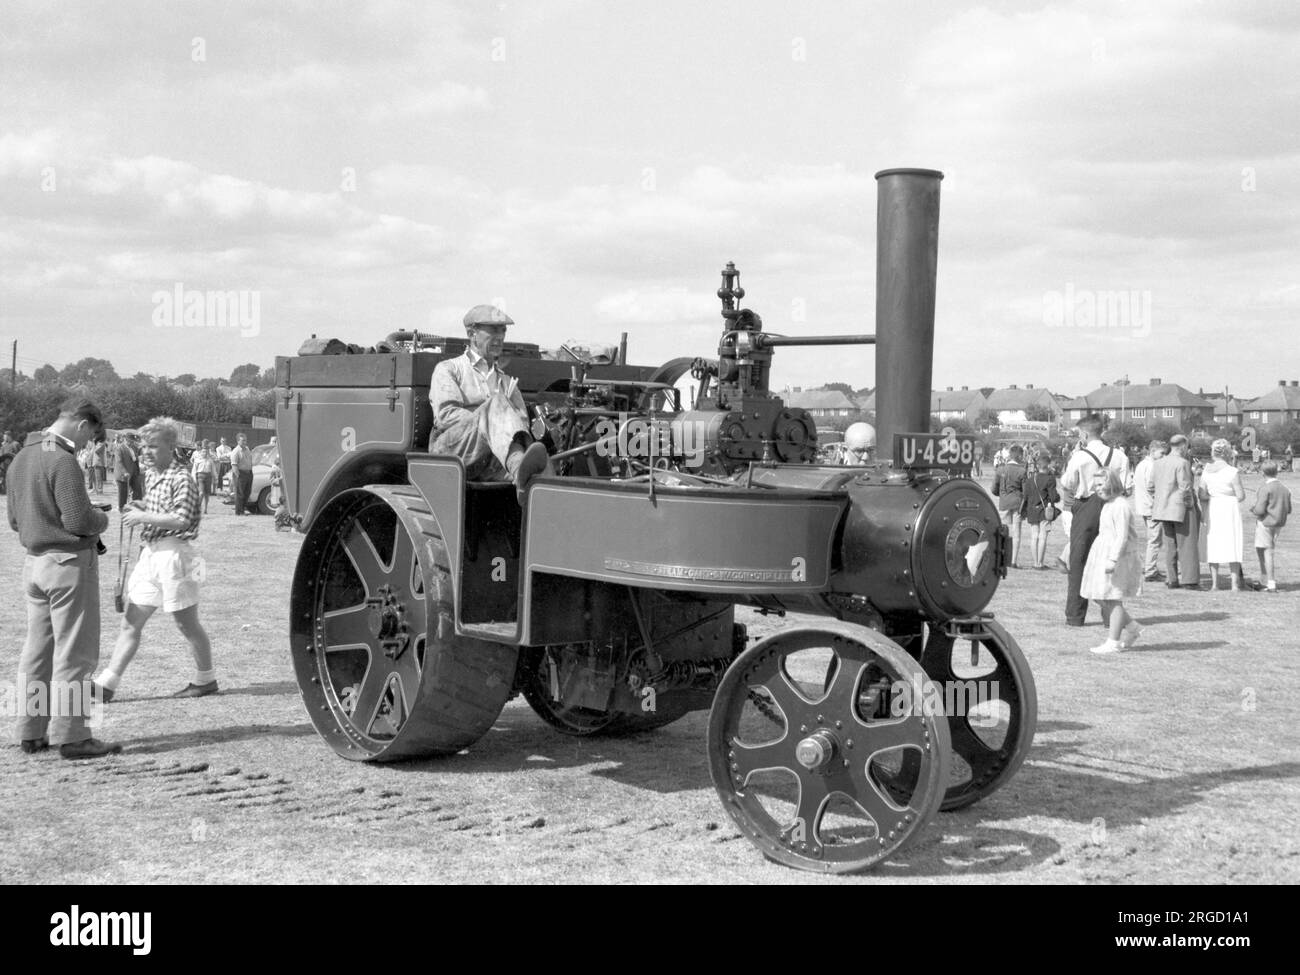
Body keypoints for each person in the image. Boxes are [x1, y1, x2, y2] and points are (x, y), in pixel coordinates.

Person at [6, 398, 121, 758]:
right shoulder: (63, 459)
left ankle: (31, 730)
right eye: (92, 437)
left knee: (36, 651)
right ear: (83, 425)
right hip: (69, 564)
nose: (89, 445)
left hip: (34, 563)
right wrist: (101, 518)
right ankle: (73, 735)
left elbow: (13, 520)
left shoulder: (21, 458)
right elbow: (79, 522)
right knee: (76, 653)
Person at [95, 416, 217, 701]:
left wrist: (143, 515)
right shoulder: (151, 474)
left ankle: (206, 679)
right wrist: (142, 505)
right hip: (151, 554)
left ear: (171, 446)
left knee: (187, 623)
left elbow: (183, 519)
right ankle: (107, 684)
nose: (146, 452)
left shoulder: (182, 477)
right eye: (144, 446)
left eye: (153, 446)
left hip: (177, 555)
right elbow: (159, 505)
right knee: (131, 621)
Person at [428, 304, 550, 502]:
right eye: (493, 330)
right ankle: (520, 470)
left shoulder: (508, 382)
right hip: (451, 451)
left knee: (546, 461)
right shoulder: (448, 369)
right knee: (496, 405)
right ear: (471, 333)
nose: (500, 337)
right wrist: (488, 420)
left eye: (503, 331)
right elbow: (446, 416)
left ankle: (536, 489)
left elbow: (521, 424)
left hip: (490, 458)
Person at [1059, 414, 1130, 625]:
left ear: (1085, 434)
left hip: (1086, 507)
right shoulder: (1119, 456)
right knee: (1109, 560)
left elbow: (1068, 483)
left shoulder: (1079, 457)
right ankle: (1110, 615)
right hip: (1111, 505)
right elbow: (1125, 485)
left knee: (1078, 560)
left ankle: (1075, 615)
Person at [1080, 468, 1145, 654]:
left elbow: (1122, 536)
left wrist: (1113, 559)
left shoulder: (1120, 505)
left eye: (1101, 484)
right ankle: (1132, 628)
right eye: (1096, 485)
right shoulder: (1108, 504)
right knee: (1099, 595)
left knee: (1113, 597)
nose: (1097, 488)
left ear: (1111, 483)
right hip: (1104, 551)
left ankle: (1113, 641)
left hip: (1118, 556)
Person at [1150, 433, 1201, 589]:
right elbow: (1185, 488)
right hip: (1181, 508)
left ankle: (1172, 579)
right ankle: (1189, 580)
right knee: (1187, 545)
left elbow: (1151, 486)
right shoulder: (1182, 463)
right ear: (1183, 446)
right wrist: (1191, 505)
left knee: (1170, 545)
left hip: (1163, 509)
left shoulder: (1158, 463)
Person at [1200, 438, 1248, 591]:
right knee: (1232, 543)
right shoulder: (1232, 472)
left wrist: (1213, 496)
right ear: (1228, 453)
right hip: (1229, 508)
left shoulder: (1206, 471)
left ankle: (1215, 584)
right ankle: (1234, 585)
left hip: (1213, 507)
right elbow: (1241, 496)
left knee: (1213, 543)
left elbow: (1201, 494)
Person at [1251, 461, 1291, 593]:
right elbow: (1289, 509)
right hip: (1278, 524)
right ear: (1277, 471)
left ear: (1262, 473)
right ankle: (1264, 580)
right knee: (1261, 549)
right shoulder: (1285, 489)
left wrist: (1254, 510)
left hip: (1265, 522)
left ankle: (1271, 583)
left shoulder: (1265, 488)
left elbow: (1260, 510)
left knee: (1267, 552)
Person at [1133, 440, 1167, 581]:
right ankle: (1150, 571)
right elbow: (1151, 486)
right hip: (1152, 507)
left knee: (1153, 539)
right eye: (1162, 453)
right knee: (1154, 540)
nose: (1164, 456)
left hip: (1144, 506)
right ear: (1153, 452)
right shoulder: (1152, 466)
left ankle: (1150, 568)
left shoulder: (1141, 464)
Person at [1022, 452, 1060, 569]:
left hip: (1032, 510)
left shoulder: (1029, 480)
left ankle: (1035, 563)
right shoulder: (1050, 479)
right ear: (1048, 465)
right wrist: (1057, 497)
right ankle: (1040, 563)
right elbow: (1054, 497)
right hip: (1045, 511)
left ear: (1037, 466)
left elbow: (1026, 496)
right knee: (1043, 537)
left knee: (1034, 536)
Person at [992, 444, 1027, 567]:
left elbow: (993, 489)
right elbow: (1025, 491)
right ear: (1019, 455)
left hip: (1004, 503)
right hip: (1017, 504)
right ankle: (1013, 561)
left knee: (1003, 532)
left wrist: (1001, 495)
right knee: (1016, 533)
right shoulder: (1022, 471)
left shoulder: (1001, 469)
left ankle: (1001, 559)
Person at [113, 432, 140, 511]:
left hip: (134, 472)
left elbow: (136, 459)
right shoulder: (119, 448)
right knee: (123, 493)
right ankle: (121, 508)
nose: (131, 442)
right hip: (122, 474)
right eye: (130, 441)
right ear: (125, 439)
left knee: (137, 490)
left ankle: (136, 507)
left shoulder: (134, 448)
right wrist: (124, 472)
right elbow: (119, 462)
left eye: (132, 441)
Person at [229, 433, 254, 515]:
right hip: (240, 474)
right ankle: (239, 512)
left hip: (249, 473)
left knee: (247, 493)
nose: (244, 442)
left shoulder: (247, 449)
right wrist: (238, 476)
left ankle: (243, 510)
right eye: (242, 440)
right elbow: (234, 466)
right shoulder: (235, 451)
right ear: (238, 441)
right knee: (240, 493)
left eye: (245, 440)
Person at [191, 440, 216, 514]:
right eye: (203, 452)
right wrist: (194, 479)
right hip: (200, 476)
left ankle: (205, 509)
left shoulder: (210, 460)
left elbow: (213, 470)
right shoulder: (198, 460)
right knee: (201, 493)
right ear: (201, 453)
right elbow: (194, 470)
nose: (204, 453)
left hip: (208, 476)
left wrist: (215, 478)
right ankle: (198, 507)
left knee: (207, 494)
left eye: (206, 452)